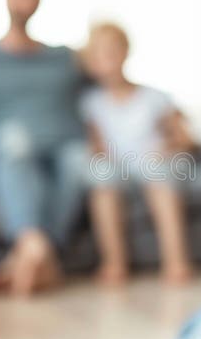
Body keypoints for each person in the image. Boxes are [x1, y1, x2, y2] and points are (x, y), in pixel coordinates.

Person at [0, 0, 87, 296]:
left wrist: (171, 113)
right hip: (10, 146)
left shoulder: (65, 57)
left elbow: (115, 80)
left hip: (64, 144)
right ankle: (36, 249)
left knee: (81, 159)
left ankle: (25, 260)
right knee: (14, 141)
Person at [81, 23, 194, 286]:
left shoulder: (153, 97)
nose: (107, 57)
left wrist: (168, 149)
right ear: (90, 63)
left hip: (155, 165)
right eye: (98, 53)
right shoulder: (92, 104)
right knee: (103, 188)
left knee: (159, 180)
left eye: (112, 49)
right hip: (118, 169)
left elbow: (185, 138)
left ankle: (176, 262)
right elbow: (96, 147)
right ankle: (114, 263)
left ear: (125, 52)